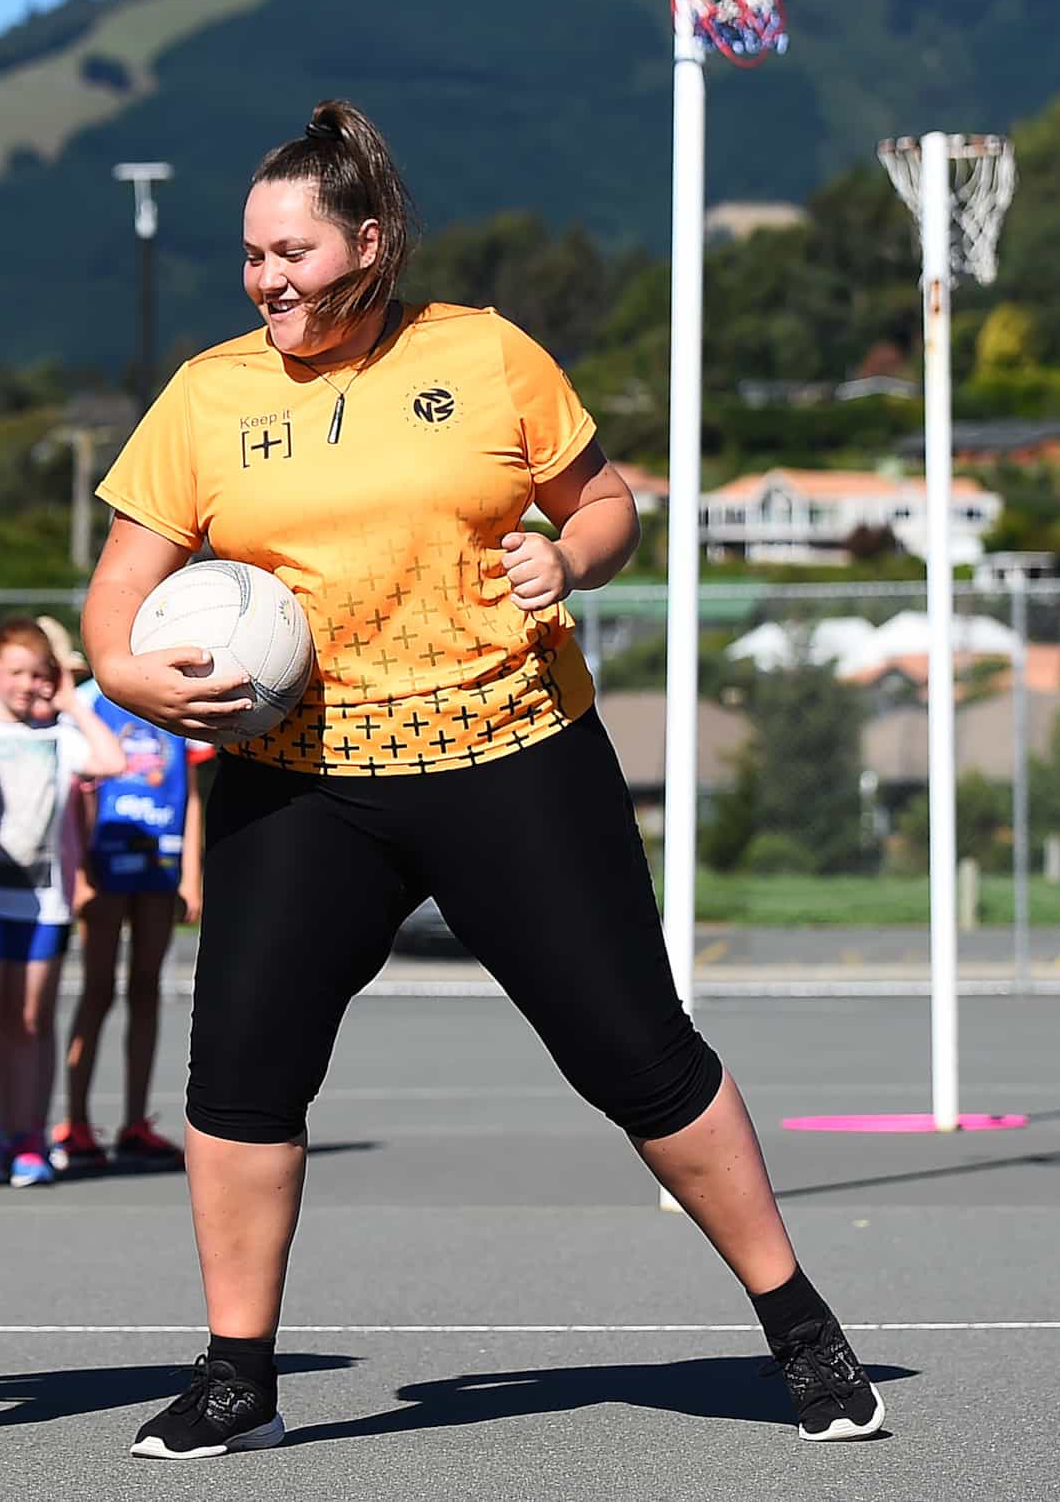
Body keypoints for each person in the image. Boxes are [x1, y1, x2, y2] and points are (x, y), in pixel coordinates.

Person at [82, 99, 884, 1458]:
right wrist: (125, 671)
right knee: (241, 1078)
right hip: (303, 779)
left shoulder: (486, 350)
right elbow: (117, 600)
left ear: (371, 241)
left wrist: (569, 559)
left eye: (293, 250)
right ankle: (237, 1372)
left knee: (637, 1053)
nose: (268, 279)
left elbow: (609, 498)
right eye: (250, 255)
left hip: (512, 755)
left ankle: (800, 1324)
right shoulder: (208, 395)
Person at [0, 618, 123, 1189]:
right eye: (15, 672)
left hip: (42, 905)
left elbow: (110, 762)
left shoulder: (59, 737)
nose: (25, 684)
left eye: (38, 674)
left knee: (30, 1024)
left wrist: (71, 703)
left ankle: (28, 1136)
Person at [59, 651, 210, 1175]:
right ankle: (75, 1121)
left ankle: (134, 1122)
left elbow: (189, 793)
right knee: (97, 988)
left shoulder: (175, 694)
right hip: (103, 864)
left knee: (145, 987)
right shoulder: (90, 700)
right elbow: (75, 790)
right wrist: (77, 869)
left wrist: (192, 872)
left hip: (159, 860)